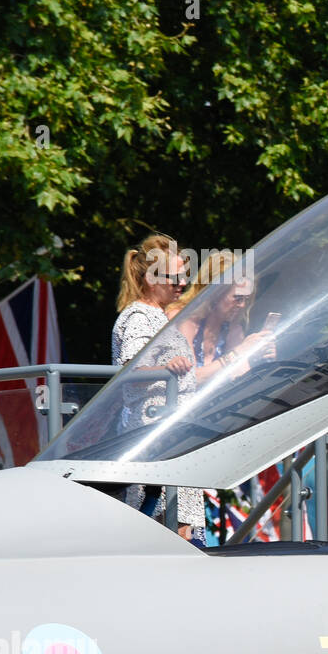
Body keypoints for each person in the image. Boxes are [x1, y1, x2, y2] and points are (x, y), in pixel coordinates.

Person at [111, 233, 204, 545]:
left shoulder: (157, 316)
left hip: (168, 433)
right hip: (153, 432)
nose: (182, 283)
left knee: (179, 526)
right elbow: (128, 368)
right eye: (175, 276)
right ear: (152, 278)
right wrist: (167, 368)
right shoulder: (140, 316)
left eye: (184, 276)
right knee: (164, 528)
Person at [171, 251, 275, 383]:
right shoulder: (185, 321)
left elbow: (242, 379)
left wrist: (258, 359)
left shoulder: (232, 330)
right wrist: (237, 353)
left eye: (246, 299)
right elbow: (189, 380)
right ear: (215, 294)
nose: (242, 305)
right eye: (237, 298)